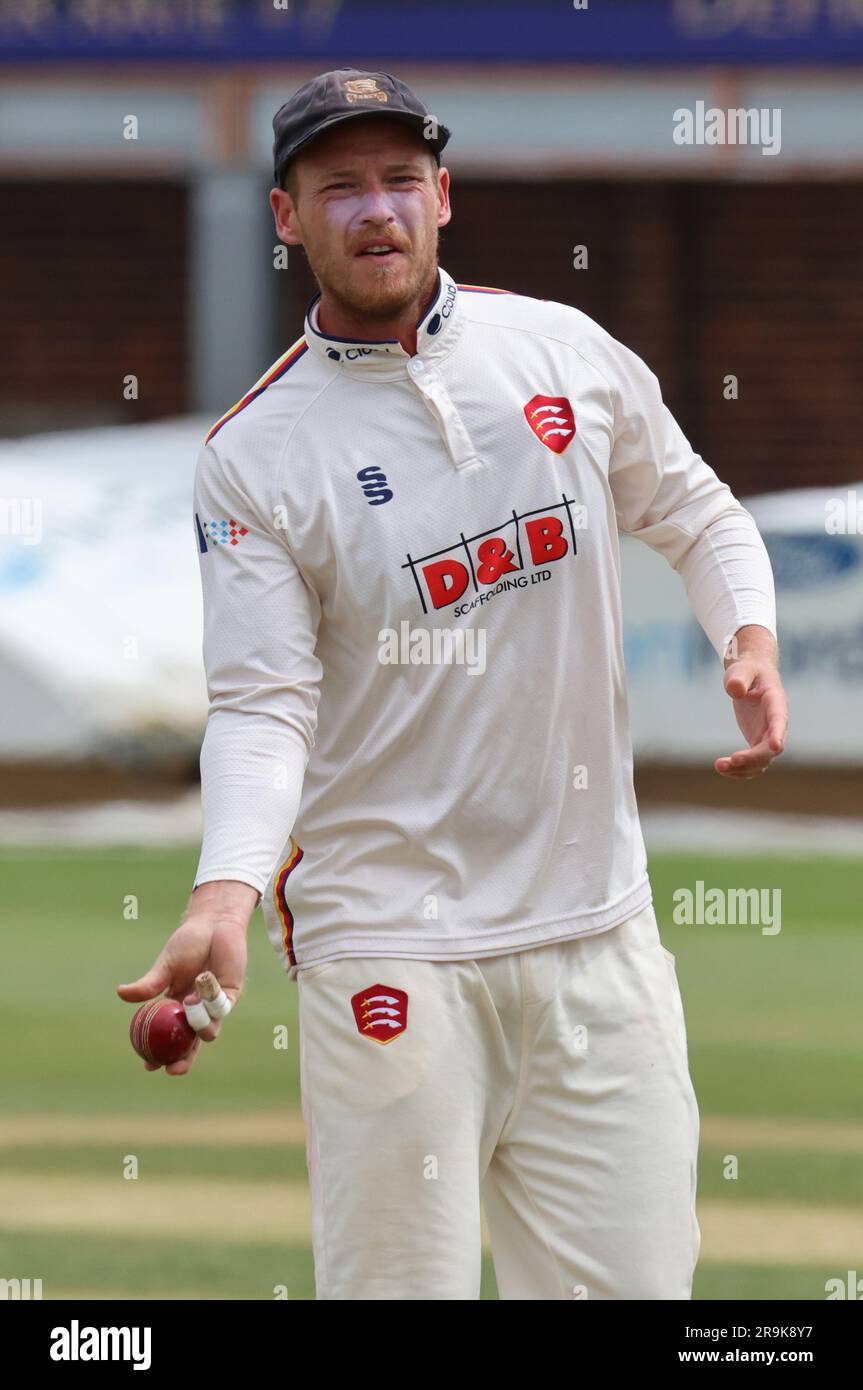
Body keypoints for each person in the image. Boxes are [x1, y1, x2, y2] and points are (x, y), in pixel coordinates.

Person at [118, 68, 788, 1300]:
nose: (375, 211)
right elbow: (264, 704)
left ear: (442, 196)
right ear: (285, 218)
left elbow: (692, 508)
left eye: (397, 181)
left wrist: (744, 630)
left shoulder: (560, 348)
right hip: (389, 940)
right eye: (339, 189)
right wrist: (223, 892)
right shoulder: (255, 458)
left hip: (599, 933)